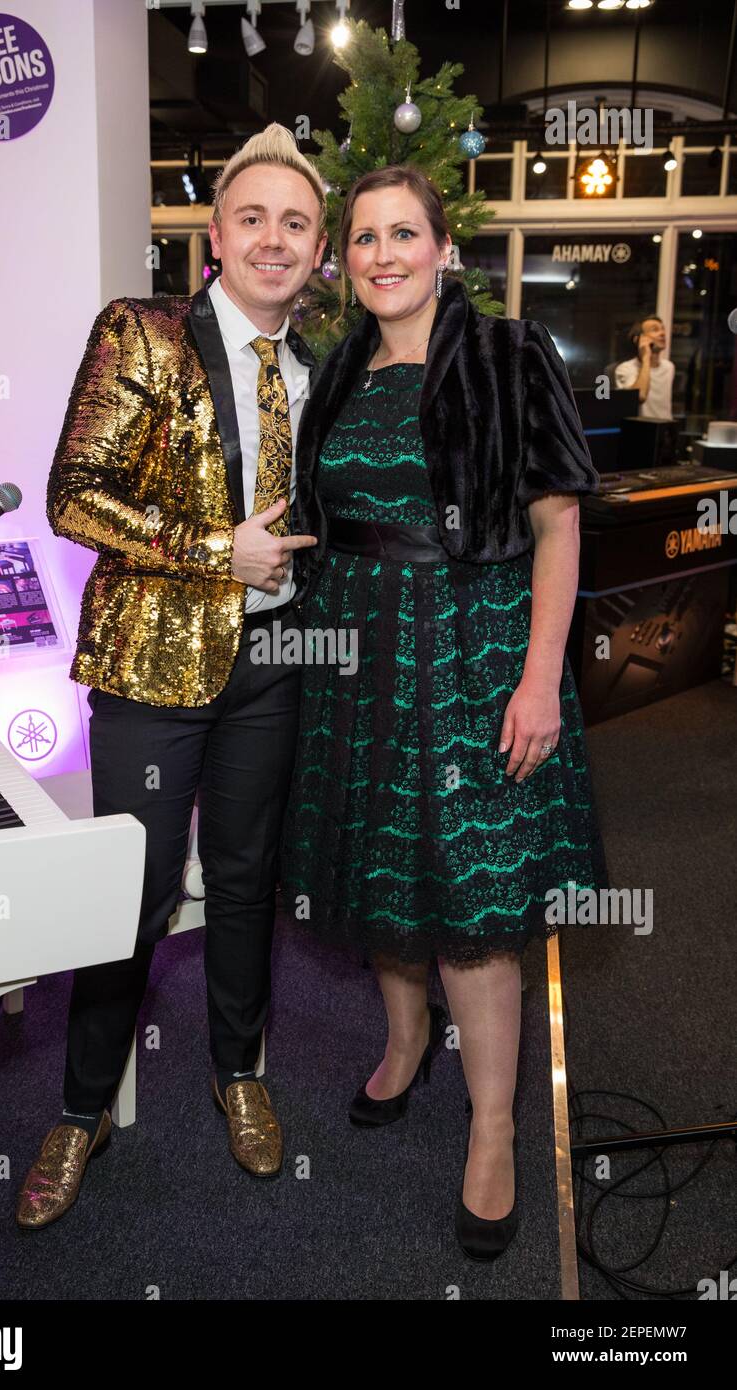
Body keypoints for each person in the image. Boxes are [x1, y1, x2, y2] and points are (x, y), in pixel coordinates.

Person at [280, 165, 611, 1261]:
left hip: (476, 652)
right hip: (359, 658)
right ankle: (406, 1036)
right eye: (363, 236)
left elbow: (557, 525)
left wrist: (537, 679)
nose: (381, 254)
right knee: (383, 865)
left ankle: (490, 1127)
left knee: (471, 894)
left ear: (442, 248)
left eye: (402, 234)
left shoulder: (505, 355)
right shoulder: (334, 369)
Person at [16, 124, 325, 1229]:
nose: (272, 239)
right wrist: (212, 552)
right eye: (253, 218)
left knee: (246, 880)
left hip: (275, 667)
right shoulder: (142, 335)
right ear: (215, 233)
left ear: (318, 246)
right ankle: (80, 1106)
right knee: (132, 897)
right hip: (153, 670)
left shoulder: (317, 365)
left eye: (295, 223)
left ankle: (237, 1072)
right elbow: (71, 493)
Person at [614, 315, 675, 419]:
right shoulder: (625, 368)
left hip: (665, 430)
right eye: (655, 330)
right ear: (638, 339)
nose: (663, 333)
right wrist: (646, 359)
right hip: (641, 430)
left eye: (663, 329)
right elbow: (640, 396)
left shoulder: (669, 367)